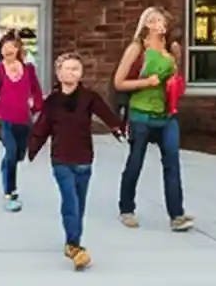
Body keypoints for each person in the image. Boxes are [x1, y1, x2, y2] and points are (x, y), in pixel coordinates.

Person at [28, 52, 124, 271]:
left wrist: (118, 129)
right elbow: (42, 127)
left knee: (79, 204)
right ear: (58, 72)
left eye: (76, 69)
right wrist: (32, 149)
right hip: (61, 159)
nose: (72, 72)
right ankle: (75, 246)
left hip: (84, 158)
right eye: (68, 68)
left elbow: (107, 115)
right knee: (70, 201)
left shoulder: (89, 97)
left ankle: (72, 242)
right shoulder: (52, 101)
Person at [112, 6, 194, 231]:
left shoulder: (170, 49)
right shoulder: (137, 49)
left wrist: (175, 82)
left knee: (172, 164)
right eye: (154, 20)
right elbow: (118, 82)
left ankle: (176, 215)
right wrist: (145, 83)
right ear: (147, 24)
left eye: (162, 20)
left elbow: (175, 80)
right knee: (135, 161)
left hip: (166, 116)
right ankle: (126, 209)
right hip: (141, 115)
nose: (160, 23)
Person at [0, 30, 45, 212]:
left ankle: (6, 167)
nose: (8, 51)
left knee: (18, 156)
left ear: (18, 50)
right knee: (11, 153)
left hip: (24, 121)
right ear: (0, 51)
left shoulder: (29, 70)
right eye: (5, 48)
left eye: (12, 47)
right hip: (5, 121)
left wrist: (34, 108)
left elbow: (37, 94)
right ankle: (10, 192)